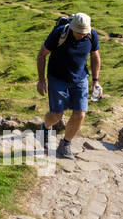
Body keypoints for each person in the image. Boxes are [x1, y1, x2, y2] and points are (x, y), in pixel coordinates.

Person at [36, 12, 101, 160]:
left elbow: (95, 56)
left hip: (80, 79)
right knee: (57, 115)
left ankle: (65, 145)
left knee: (80, 114)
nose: (83, 35)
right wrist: (41, 80)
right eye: (79, 32)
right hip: (57, 78)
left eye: (85, 32)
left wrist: (96, 81)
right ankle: (45, 128)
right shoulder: (60, 33)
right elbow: (41, 55)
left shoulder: (92, 35)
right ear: (72, 28)